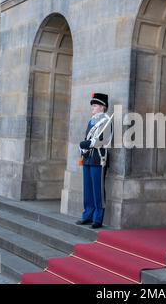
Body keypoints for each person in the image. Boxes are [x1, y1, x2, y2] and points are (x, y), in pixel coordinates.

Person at [76, 93, 113, 229]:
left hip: (99, 157)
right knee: (88, 188)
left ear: (102, 107)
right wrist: (83, 149)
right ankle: (88, 215)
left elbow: (104, 139)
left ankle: (98, 218)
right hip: (88, 157)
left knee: (98, 189)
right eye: (92, 105)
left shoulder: (106, 121)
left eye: (95, 105)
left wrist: (87, 144)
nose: (92, 107)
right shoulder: (92, 120)